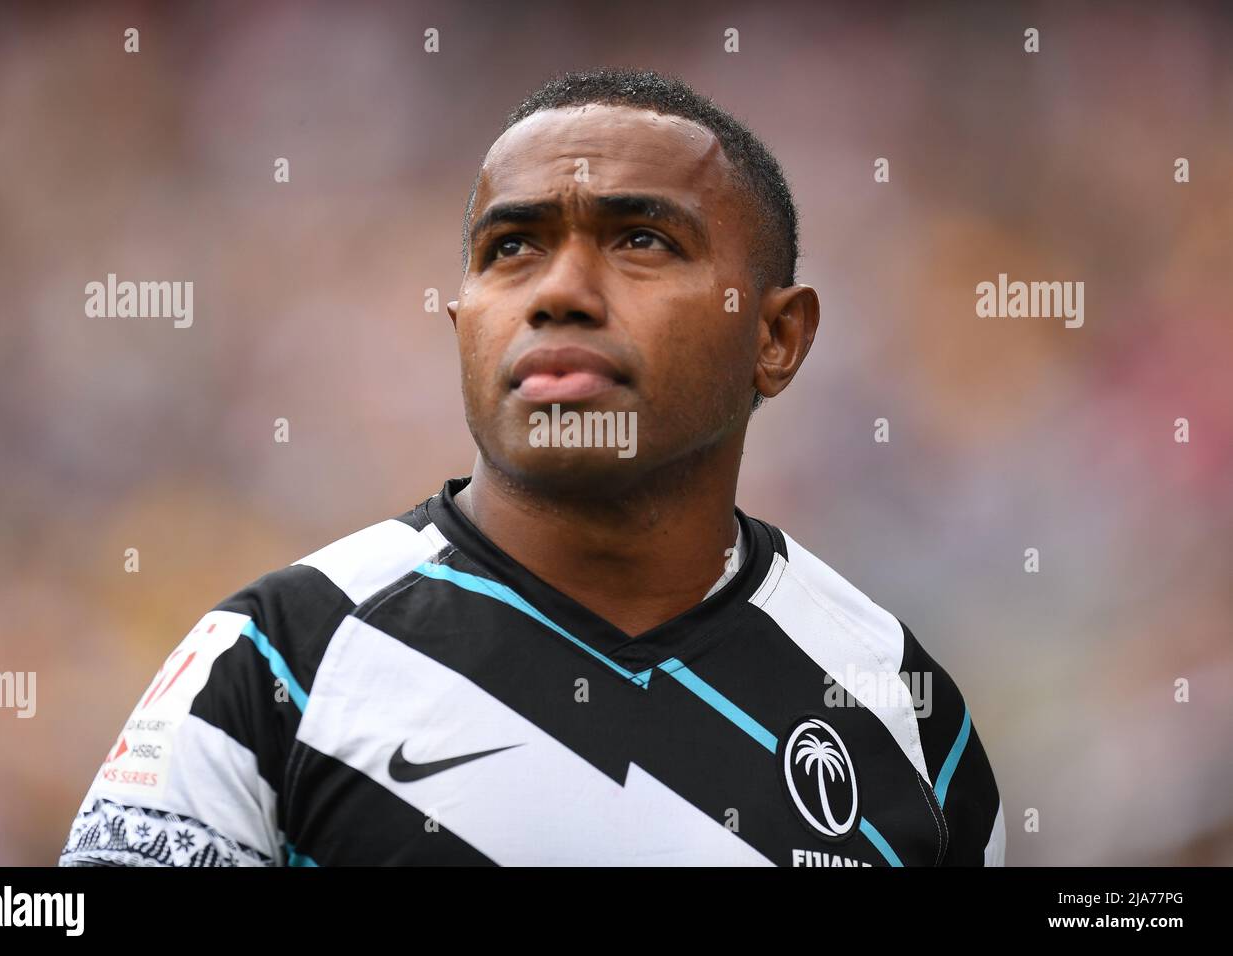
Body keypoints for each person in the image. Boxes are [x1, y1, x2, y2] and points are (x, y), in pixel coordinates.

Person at [59, 67, 1003, 867]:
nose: (558, 291)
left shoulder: (905, 713)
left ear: (776, 335)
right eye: (512, 247)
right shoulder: (273, 664)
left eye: (641, 240)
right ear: (462, 322)